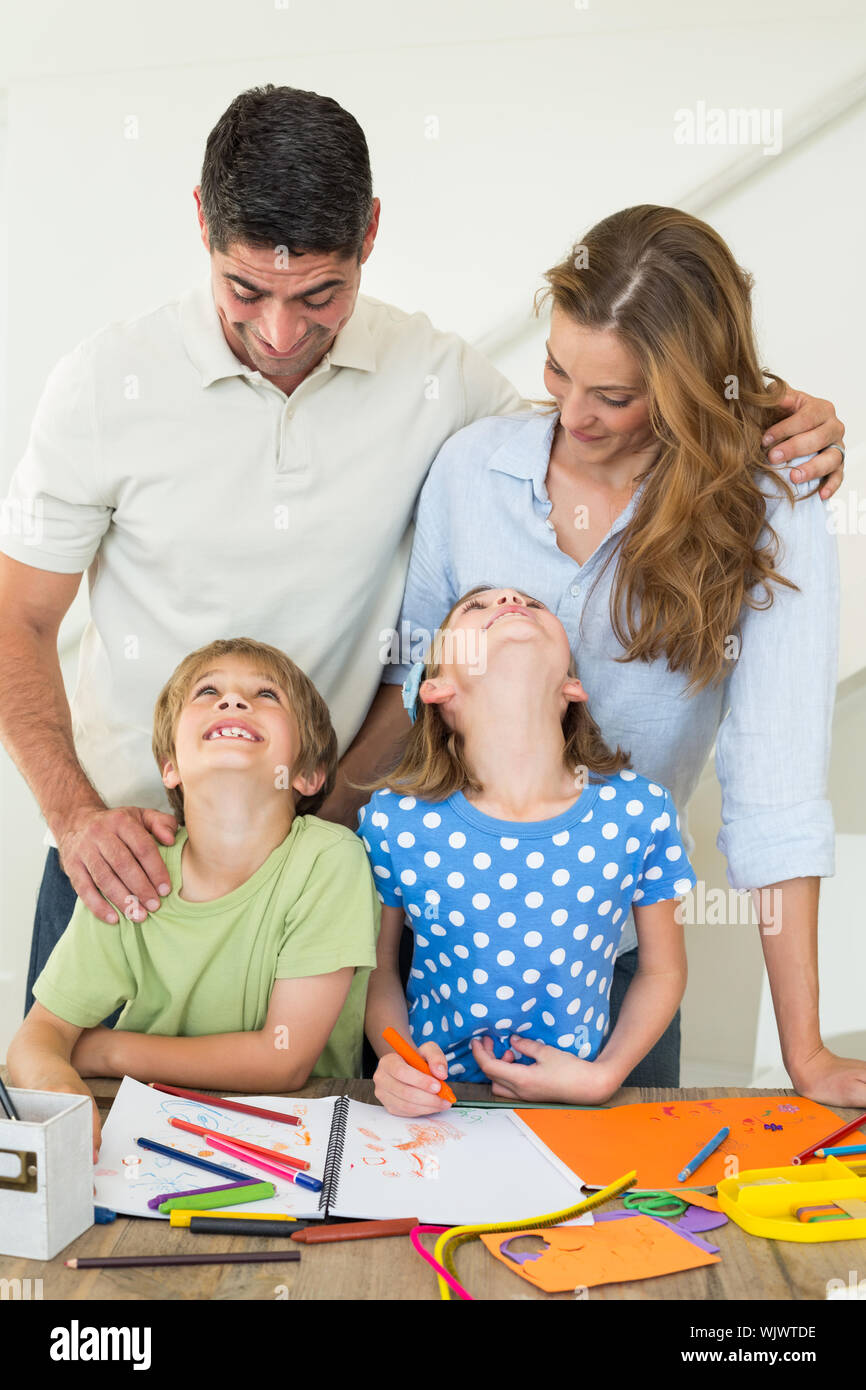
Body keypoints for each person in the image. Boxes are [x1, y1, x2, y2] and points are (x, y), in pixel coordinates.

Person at [0, 86, 844, 1027]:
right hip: (129, 869)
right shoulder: (100, 388)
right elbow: (17, 617)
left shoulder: (445, 389)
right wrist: (75, 815)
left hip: (327, 875)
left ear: (370, 233)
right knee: (78, 1155)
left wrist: (757, 413)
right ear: (202, 222)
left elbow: (615, 413)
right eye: (247, 291)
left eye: (321, 294)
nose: (282, 333)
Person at [376, 205, 862, 1107]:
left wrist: (809, 1054)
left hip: (619, 976)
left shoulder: (773, 509)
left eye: (615, 396)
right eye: (558, 371)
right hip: (435, 962)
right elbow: (414, 697)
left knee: (619, 1228)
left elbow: (778, 794)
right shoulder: (470, 472)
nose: (573, 413)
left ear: (688, 388)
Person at [6, 637, 380, 1157]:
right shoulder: (131, 870)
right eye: (208, 691)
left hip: (301, 1141)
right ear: (169, 768)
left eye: (266, 695)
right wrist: (57, 1083)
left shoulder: (329, 860)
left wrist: (105, 1051)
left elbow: (284, 1059)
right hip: (144, 1138)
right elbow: (37, 1036)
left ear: (307, 775)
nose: (233, 701)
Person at [362, 585, 695, 1114]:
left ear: (573, 687)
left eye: (533, 605)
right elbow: (376, 970)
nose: (509, 602)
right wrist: (395, 1060)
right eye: (477, 607)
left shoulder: (641, 811)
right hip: (438, 1105)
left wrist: (602, 1077)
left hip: (578, 1103)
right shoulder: (394, 820)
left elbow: (662, 971)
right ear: (436, 689)